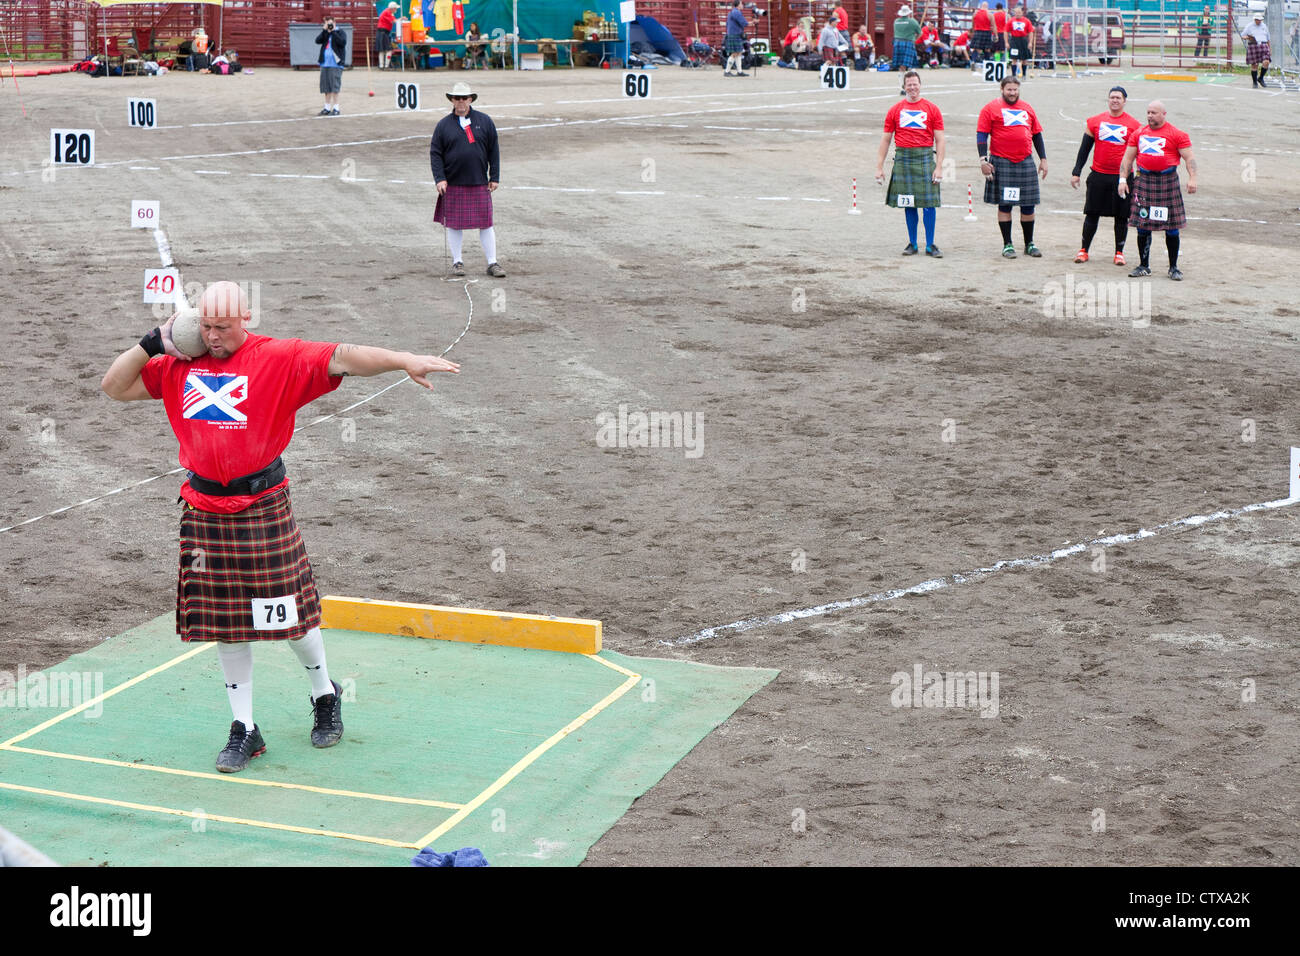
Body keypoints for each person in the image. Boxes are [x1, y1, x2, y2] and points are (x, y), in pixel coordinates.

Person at [99, 282, 460, 773]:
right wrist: (150, 344)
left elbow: (346, 356)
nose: (214, 335)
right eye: (206, 326)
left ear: (245, 318)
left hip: (263, 505)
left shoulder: (278, 358)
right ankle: (244, 728)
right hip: (204, 508)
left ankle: (323, 693)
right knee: (227, 626)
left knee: (285, 616)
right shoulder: (180, 363)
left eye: (223, 327)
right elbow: (113, 388)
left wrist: (401, 360)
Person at [431, 82, 504, 278]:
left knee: (486, 224)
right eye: (457, 98)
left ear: (470, 99)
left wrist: (494, 176)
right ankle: (457, 262)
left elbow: (493, 150)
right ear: (452, 100)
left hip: (479, 180)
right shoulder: (443, 125)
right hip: (453, 182)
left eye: (464, 98)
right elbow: (435, 154)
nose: (461, 102)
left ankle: (492, 263)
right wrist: (439, 179)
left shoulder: (485, 121)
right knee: (454, 224)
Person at [1118, 100, 1198, 280]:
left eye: (1154, 112)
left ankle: (1173, 267)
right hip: (1144, 181)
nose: (1149, 115)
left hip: (1167, 182)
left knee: (1171, 227)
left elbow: (1189, 157)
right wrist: (1122, 179)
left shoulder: (1177, 134)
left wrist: (1193, 178)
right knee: (1142, 225)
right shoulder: (1138, 133)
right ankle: (1144, 265)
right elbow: (1127, 159)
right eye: (1148, 112)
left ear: (1163, 114)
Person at [876, 70, 946, 258]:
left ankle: (930, 245)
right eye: (909, 84)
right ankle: (913, 243)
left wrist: (939, 166)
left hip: (924, 159)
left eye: (915, 84)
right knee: (909, 203)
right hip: (903, 159)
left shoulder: (932, 109)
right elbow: (885, 140)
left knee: (929, 204)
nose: (913, 87)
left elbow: (940, 140)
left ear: (920, 85)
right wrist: (879, 167)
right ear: (904, 87)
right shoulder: (895, 110)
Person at [977, 76, 1047, 258]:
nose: (1012, 92)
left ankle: (1029, 243)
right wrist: (983, 161)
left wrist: (1043, 159)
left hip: (1025, 161)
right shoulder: (990, 108)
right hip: (1002, 162)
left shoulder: (1027, 108)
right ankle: (1007, 244)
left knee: (1028, 206)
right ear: (1002, 89)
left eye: (1015, 89)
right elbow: (982, 135)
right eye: (1009, 89)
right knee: (1005, 204)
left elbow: (1037, 135)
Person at [1070, 86, 1140, 266]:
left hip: (1122, 179)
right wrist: (1076, 172)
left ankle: (1119, 253)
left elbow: (1138, 154)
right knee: (1092, 214)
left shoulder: (1134, 125)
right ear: (1108, 100)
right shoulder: (1095, 122)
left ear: (1125, 101)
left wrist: (1139, 176)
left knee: (1121, 216)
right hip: (1098, 176)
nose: (1115, 100)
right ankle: (1084, 250)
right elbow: (1084, 149)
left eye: (1118, 98)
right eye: (1112, 97)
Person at [316, 17, 346, 116]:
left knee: (334, 87)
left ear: (335, 23)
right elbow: (317, 40)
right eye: (327, 23)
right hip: (325, 64)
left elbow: (342, 43)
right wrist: (324, 30)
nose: (329, 25)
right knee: (326, 87)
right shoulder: (326, 33)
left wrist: (333, 31)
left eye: (330, 23)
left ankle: (336, 108)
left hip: (335, 64)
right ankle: (327, 107)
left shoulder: (340, 32)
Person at [1242, 12, 1271, 88]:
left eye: (1260, 19)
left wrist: (1269, 48)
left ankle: (1261, 78)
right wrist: (1249, 37)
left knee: (1266, 62)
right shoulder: (1249, 26)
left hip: (1264, 45)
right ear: (1254, 19)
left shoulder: (1264, 26)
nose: (1259, 21)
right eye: (1257, 19)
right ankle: (1255, 82)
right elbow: (1243, 36)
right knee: (1255, 64)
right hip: (1253, 45)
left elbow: (1268, 38)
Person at [1006, 5, 1034, 78]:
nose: (1017, 14)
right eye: (1016, 12)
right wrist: (1006, 42)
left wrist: (1030, 42)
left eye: (1019, 12)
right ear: (1014, 13)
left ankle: (1024, 74)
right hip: (1014, 41)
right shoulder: (1011, 21)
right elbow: (1006, 31)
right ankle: (1013, 75)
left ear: (1022, 12)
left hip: (1023, 40)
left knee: (1024, 59)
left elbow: (1031, 32)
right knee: (1014, 59)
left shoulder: (1026, 21)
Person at [892, 5, 922, 71]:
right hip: (908, 42)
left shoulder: (896, 21)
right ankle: (908, 78)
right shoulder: (913, 21)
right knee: (909, 64)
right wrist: (915, 39)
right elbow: (920, 33)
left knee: (900, 64)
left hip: (897, 43)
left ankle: (901, 79)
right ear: (909, 13)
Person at [724, 0, 749, 77]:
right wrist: (752, 22)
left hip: (733, 34)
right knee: (735, 53)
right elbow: (744, 23)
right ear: (738, 5)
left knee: (739, 52)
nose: (742, 5)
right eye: (741, 3)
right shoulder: (737, 12)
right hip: (735, 35)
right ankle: (727, 71)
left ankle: (739, 71)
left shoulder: (732, 12)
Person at [377, 1, 398, 69]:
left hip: (383, 32)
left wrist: (400, 19)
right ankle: (385, 65)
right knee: (388, 50)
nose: (396, 10)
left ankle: (382, 65)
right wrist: (401, 20)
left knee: (382, 49)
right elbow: (394, 21)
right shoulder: (388, 12)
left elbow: (394, 20)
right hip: (383, 32)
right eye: (395, 8)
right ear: (392, 8)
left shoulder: (389, 12)